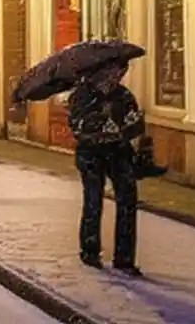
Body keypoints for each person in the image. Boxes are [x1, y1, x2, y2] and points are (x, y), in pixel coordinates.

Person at [68, 60, 143, 276]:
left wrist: (129, 127)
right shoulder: (82, 96)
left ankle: (125, 258)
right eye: (114, 71)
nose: (117, 76)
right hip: (91, 155)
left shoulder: (124, 95)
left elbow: (134, 124)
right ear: (102, 72)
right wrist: (100, 125)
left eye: (121, 72)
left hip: (119, 152)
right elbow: (77, 127)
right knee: (93, 200)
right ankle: (90, 250)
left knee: (128, 200)